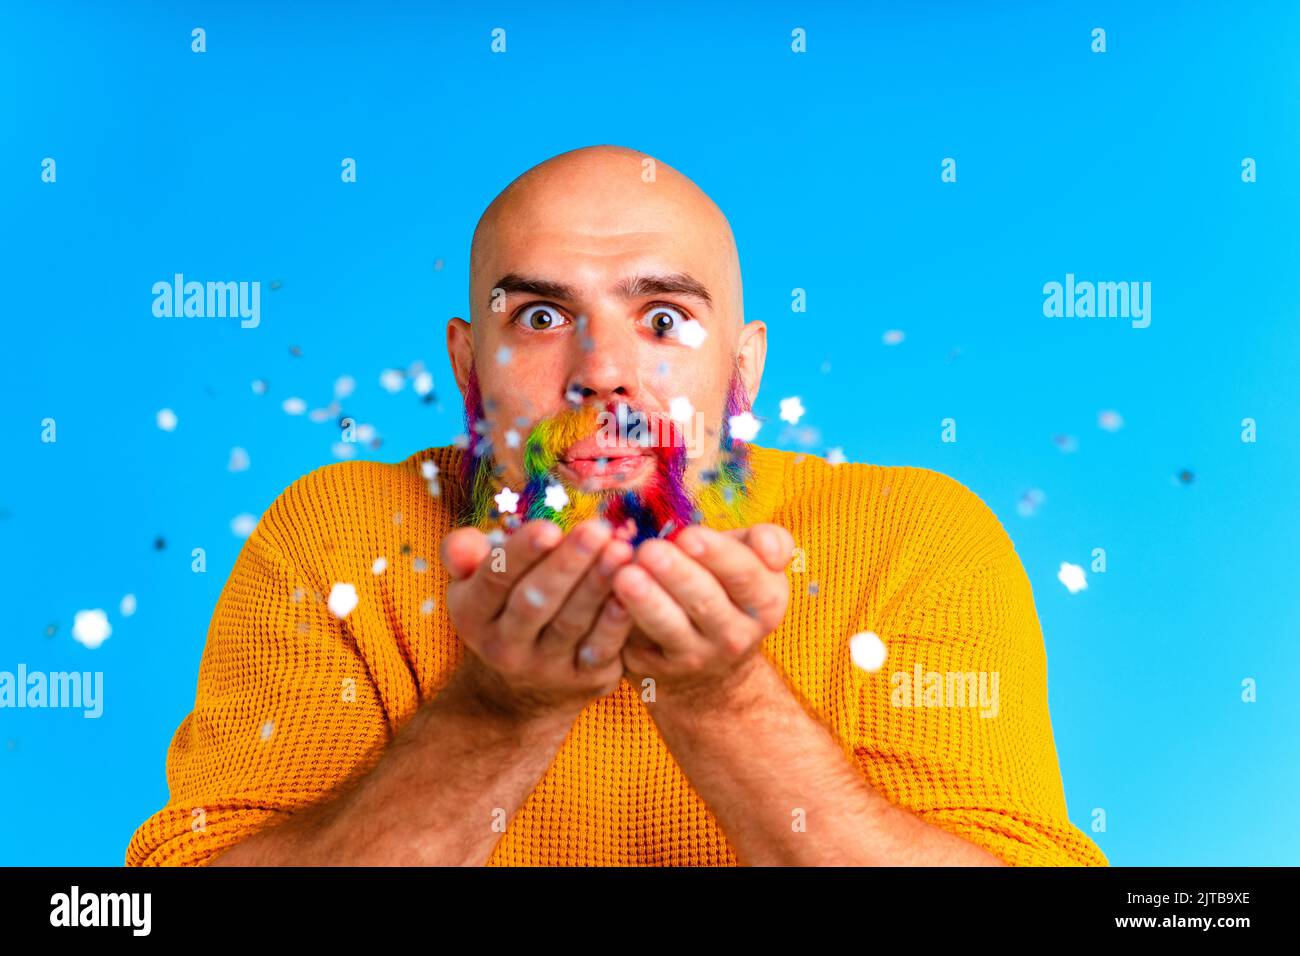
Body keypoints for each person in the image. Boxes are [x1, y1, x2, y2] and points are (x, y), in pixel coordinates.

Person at [126, 145, 1107, 866]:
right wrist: (502, 708)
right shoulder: (338, 539)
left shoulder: (913, 539)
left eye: (664, 318)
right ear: (470, 371)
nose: (601, 374)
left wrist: (720, 696)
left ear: (743, 368)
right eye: (543, 317)